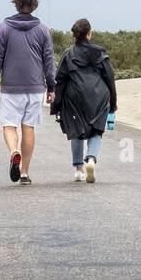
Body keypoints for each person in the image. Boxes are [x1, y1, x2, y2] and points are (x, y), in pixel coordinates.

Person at [0, 0, 55, 186]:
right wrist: (51, 87)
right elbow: (49, 61)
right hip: (35, 88)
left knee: (9, 126)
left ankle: (13, 151)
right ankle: (24, 172)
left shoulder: (4, 28)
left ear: (16, 2)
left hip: (11, 87)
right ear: (34, 4)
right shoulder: (43, 30)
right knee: (28, 128)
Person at [53, 18, 117, 184]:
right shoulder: (100, 53)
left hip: (74, 95)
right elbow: (110, 78)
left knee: (76, 129)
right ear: (89, 33)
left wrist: (57, 105)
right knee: (96, 129)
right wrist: (113, 102)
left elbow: (60, 80)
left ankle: (78, 169)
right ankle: (91, 159)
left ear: (75, 35)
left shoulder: (68, 53)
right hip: (99, 95)